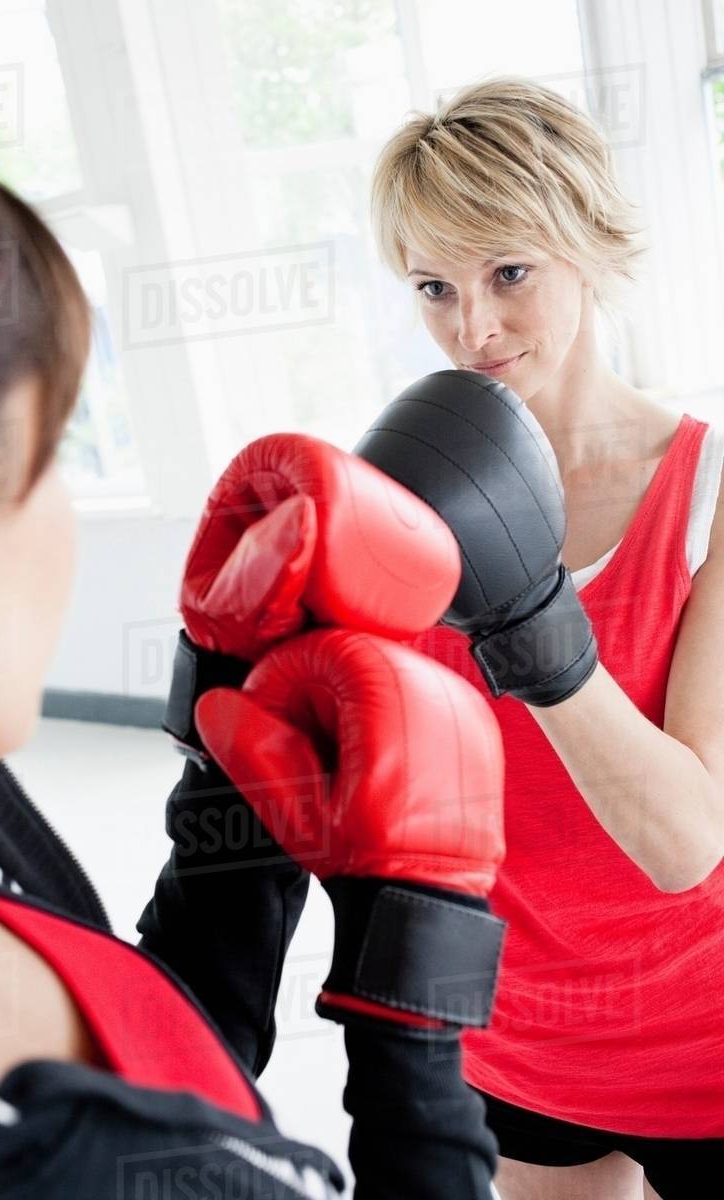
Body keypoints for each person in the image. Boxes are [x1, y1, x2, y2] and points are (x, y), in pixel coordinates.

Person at [0, 145, 509, 1199]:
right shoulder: (31, 1161)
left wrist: (236, 759)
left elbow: (161, 1047)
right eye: (54, 446)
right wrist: (417, 978)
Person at [363, 74, 724, 1199]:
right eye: (433, 286)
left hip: (702, 1040)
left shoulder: (709, 486)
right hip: (517, 1039)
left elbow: (686, 844)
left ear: (583, 243)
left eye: (507, 271)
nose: (472, 326)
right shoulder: (404, 499)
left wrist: (533, 621)